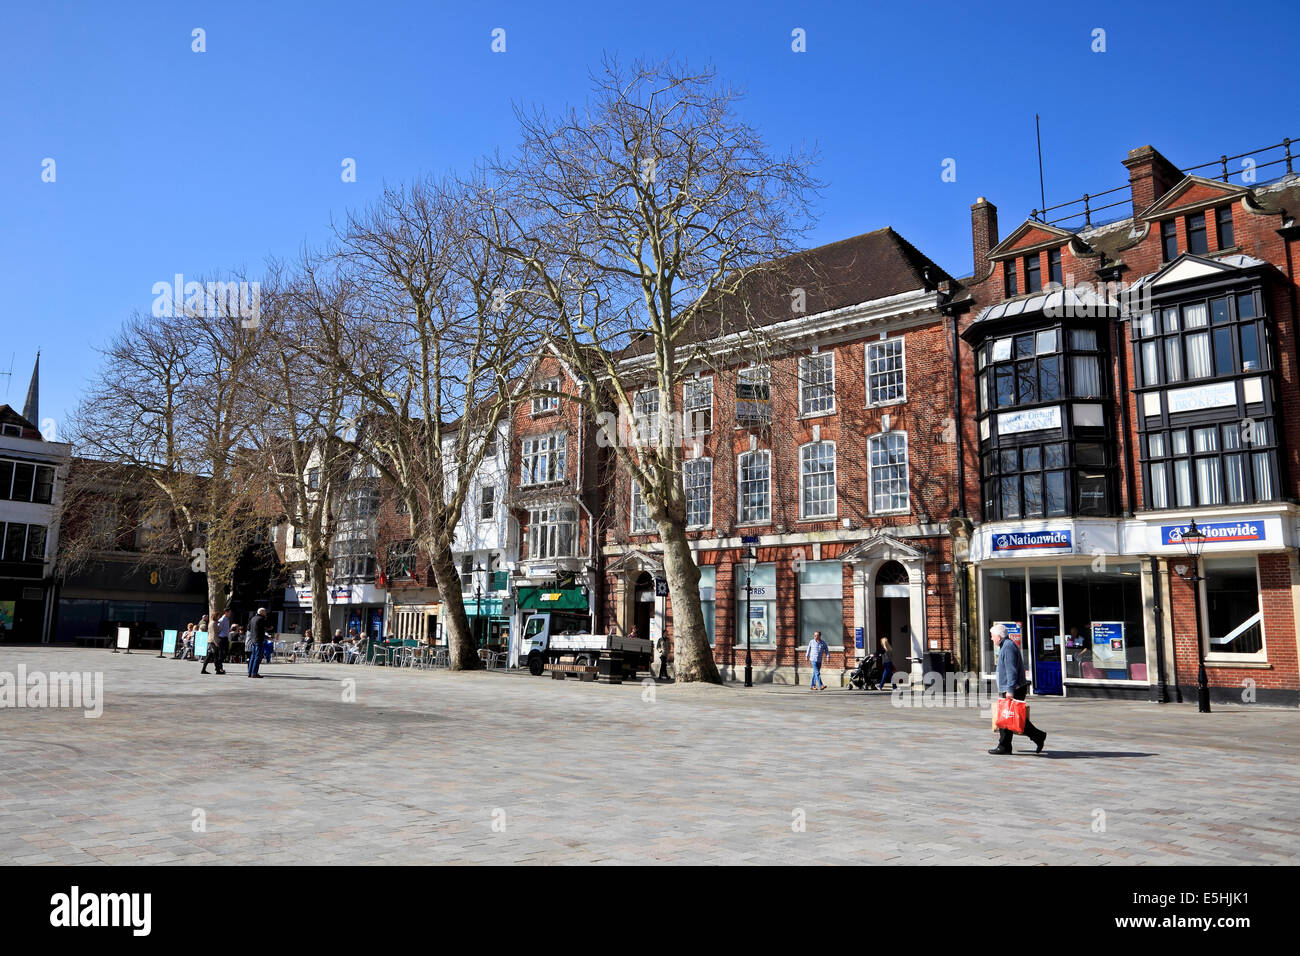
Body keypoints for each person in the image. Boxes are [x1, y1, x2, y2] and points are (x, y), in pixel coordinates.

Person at [988, 624, 1046, 755]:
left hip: (1013, 688)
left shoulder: (1007, 647)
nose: (991, 639)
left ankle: (1007, 745)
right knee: (1010, 717)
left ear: (998, 636)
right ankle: (1007, 746)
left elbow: (1011, 671)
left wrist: (1010, 690)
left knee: (1010, 717)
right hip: (1012, 687)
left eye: (992, 636)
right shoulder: (1006, 646)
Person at [246, 608, 273, 678]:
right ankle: (254, 673)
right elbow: (261, 630)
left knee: (253, 656)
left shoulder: (253, 618)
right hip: (258, 639)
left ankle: (250, 672)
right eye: (265, 612)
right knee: (258, 657)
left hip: (253, 639)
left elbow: (249, 628)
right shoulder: (261, 619)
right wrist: (267, 636)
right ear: (261, 612)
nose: (266, 613)